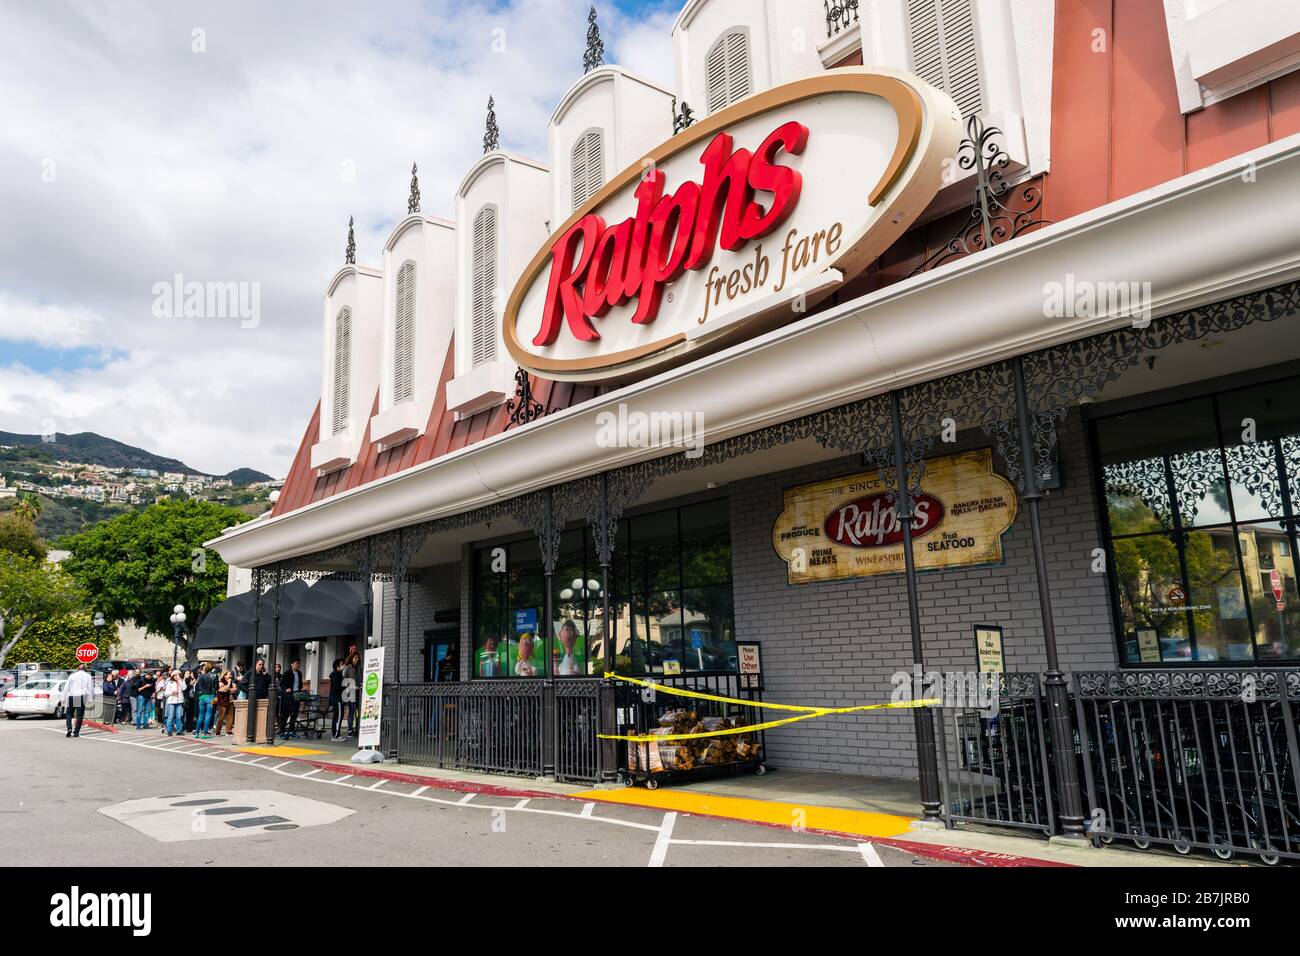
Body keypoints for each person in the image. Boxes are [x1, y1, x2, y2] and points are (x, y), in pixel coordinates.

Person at [61, 664, 96, 738]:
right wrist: (90, 698)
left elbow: (66, 687)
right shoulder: (88, 676)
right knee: (79, 715)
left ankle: (69, 728)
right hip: (81, 696)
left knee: (69, 713)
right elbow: (90, 689)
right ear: (85, 669)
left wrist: (63, 698)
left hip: (72, 695)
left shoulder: (72, 675)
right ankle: (76, 732)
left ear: (78, 669)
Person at [194, 662, 218, 738]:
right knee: (208, 715)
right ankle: (204, 733)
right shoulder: (214, 675)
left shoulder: (201, 676)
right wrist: (215, 696)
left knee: (200, 716)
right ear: (211, 668)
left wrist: (200, 695)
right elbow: (216, 687)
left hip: (202, 697)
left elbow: (197, 687)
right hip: (210, 696)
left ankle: (197, 733)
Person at [340, 653, 359, 737]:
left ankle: (357, 729)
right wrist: (352, 687)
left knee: (358, 712)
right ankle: (350, 730)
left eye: (358, 658)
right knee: (351, 712)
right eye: (356, 658)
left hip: (359, 692)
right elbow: (345, 681)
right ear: (351, 659)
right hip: (351, 693)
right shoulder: (348, 668)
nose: (357, 659)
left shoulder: (358, 668)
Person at [163, 670, 185, 736]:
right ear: (172, 676)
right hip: (171, 701)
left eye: (178, 675)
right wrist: (171, 693)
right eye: (175, 675)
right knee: (170, 717)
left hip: (179, 701)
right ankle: (169, 731)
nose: (176, 676)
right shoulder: (170, 682)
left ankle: (179, 731)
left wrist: (180, 680)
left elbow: (184, 688)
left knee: (178, 717)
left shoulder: (181, 681)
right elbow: (166, 694)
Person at [213, 669, 235, 736]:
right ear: (225, 675)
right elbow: (224, 690)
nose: (230, 675)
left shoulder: (231, 681)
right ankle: (217, 731)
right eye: (229, 674)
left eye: (231, 674)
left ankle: (228, 731)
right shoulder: (221, 682)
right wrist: (228, 685)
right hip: (223, 701)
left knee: (230, 716)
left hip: (230, 701)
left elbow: (234, 690)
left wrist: (228, 688)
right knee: (221, 717)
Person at [328, 659, 345, 741]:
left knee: (336, 717)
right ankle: (336, 735)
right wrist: (345, 688)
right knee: (338, 717)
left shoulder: (335, 674)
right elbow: (337, 688)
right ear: (337, 666)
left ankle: (335, 734)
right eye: (341, 664)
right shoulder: (337, 675)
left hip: (336, 698)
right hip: (338, 698)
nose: (343, 666)